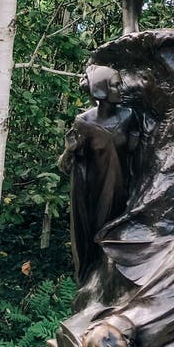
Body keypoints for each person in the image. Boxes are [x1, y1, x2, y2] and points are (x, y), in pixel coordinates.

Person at [58, 65, 140, 283]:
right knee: (97, 240)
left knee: (118, 237)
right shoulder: (84, 122)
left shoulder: (129, 116)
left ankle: (116, 284)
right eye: (115, 85)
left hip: (125, 189)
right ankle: (96, 283)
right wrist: (70, 150)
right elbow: (65, 166)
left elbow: (138, 154)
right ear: (101, 90)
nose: (121, 89)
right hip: (95, 192)